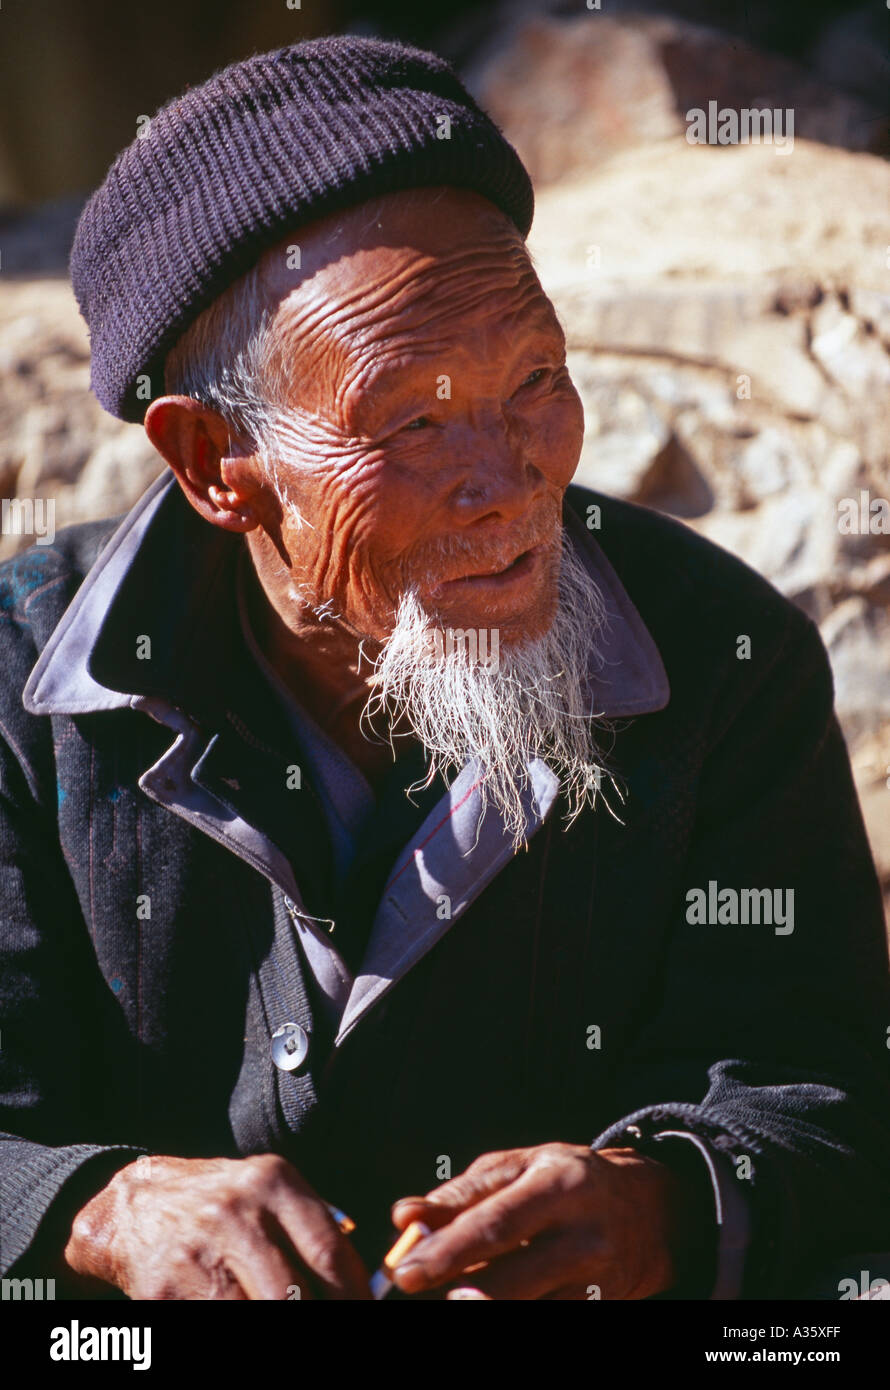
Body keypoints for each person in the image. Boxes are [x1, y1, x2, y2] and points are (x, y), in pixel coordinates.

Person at [1, 35, 888, 1302]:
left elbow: (820, 1082)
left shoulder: (718, 660)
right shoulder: (24, 681)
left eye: (534, 379)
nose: (509, 480)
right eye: (411, 421)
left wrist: (666, 1202)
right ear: (212, 462)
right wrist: (101, 1204)